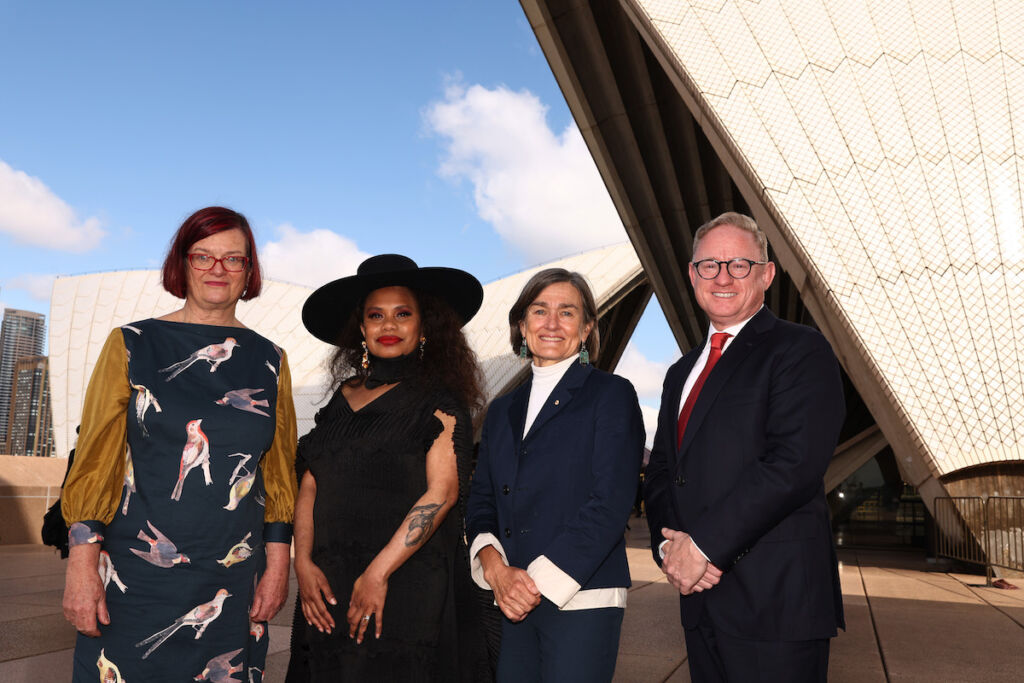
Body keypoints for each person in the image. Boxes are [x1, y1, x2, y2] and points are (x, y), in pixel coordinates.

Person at [61, 206, 297, 683]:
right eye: (203, 256)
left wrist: (278, 566)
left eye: (233, 259)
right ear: (181, 264)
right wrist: (81, 568)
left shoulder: (271, 359)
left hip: (234, 575)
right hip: (138, 580)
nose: (217, 269)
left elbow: (278, 472)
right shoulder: (132, 344)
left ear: (249, 270)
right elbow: (96, 463)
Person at [643, 212, 845, 682]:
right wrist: (669, 550)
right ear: (693, 275)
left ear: (766, 274)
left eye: (739, 264)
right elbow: (661, 475)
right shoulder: (680, 373)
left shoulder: (800, 350)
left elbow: (794, 465)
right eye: (709, 265)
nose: (723, 277)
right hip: (698, 597)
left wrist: (707, 548)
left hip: (774, 603)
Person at [286, 254, 492, 682]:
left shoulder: (440, 400)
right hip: (328, 587)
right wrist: (302, 564)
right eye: (375, 315)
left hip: (404, 583)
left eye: (403, 314)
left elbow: (443, 493)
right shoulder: (340, 400)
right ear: (361, 329)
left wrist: (377, 574)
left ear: (423, 327)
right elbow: (311, 481)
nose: (389, 325)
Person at [465, 268, 645, 682]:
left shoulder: (611, 394)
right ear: (522, 325)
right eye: (539, 310)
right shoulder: (501, 410)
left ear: (586, 330)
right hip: (510, 596)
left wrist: (529, 584)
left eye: (567, 312)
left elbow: (612, 501)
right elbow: (481, 501)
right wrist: (495, 571)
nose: (550, 323)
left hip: (581, 596)